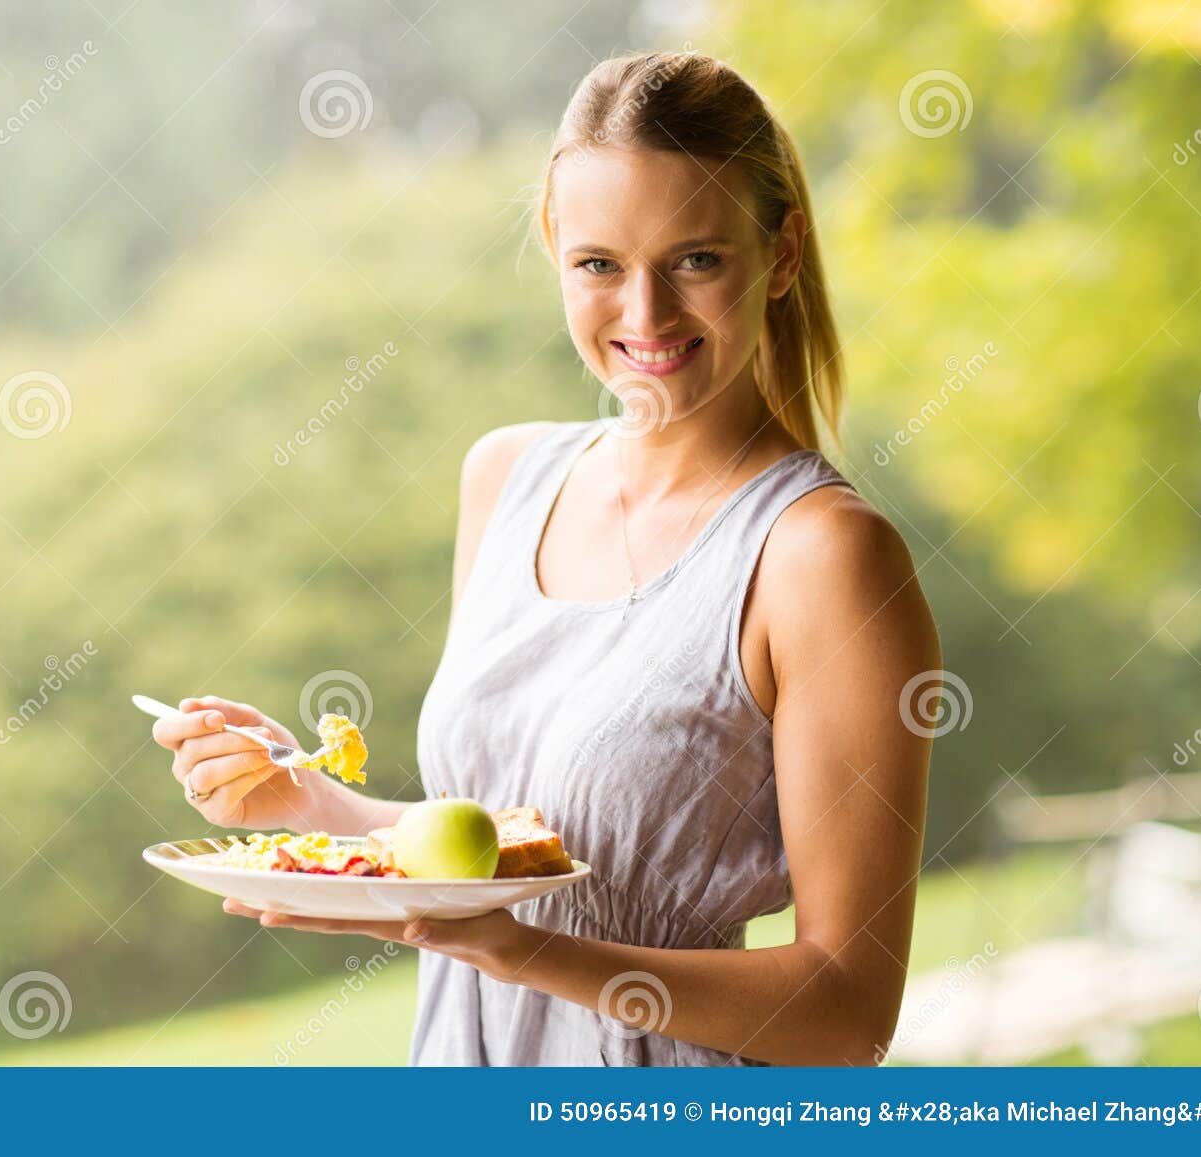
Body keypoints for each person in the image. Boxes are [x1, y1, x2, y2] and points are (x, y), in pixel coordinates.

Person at [153, 50, 940, 1066]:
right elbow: (504, 855)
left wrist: (529, 953)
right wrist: (306, 803)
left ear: (780, 255)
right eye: (600, 265)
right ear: (553, 249)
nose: (645, 315)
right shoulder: (506, 478)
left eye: (696, 259)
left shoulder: (822, 556)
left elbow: (847, 1006)